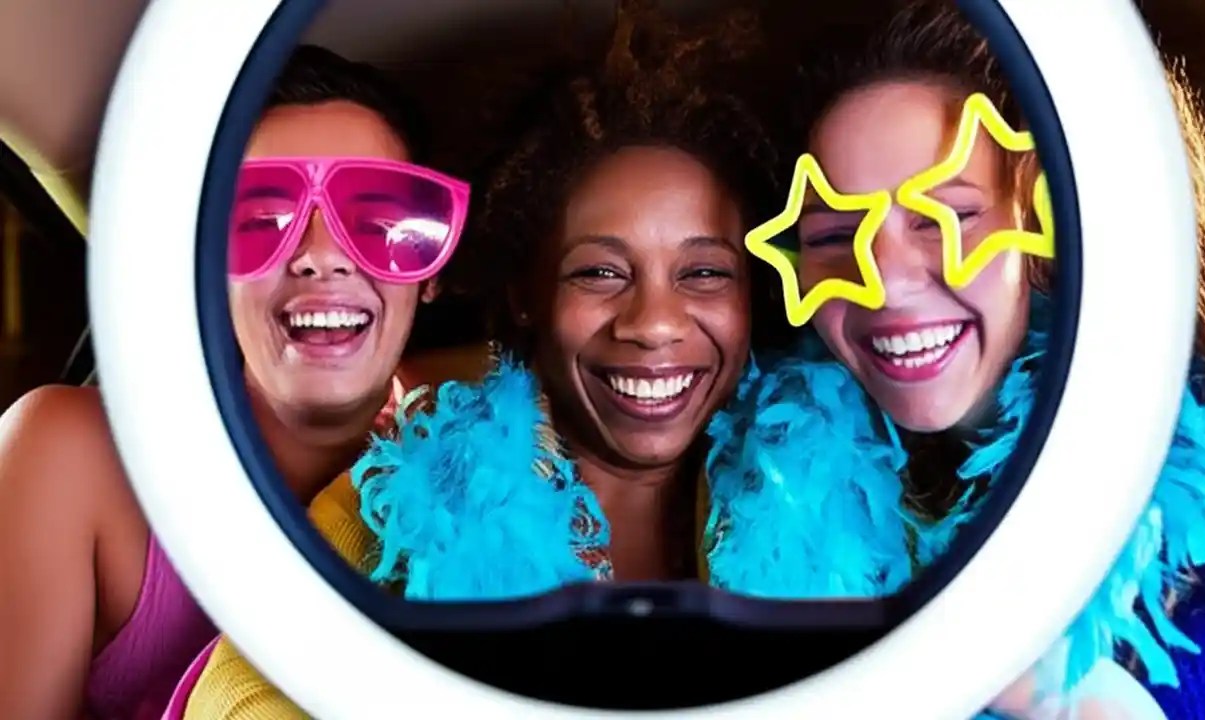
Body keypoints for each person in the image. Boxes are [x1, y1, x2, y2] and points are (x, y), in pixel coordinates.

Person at [175, 5, 789, 717]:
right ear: (527, 295)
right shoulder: (404, 484)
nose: (654, 324)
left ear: (752, 295)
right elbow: (233, 698)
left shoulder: (837, 475)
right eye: (598, 273)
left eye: (705, 273)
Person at [704, 1, 1205, 717]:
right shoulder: (760, 516)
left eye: (947, 217)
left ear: (1047, 217)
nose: (884, 281)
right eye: (835, 235)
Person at [0, 44, 469, 720]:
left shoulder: (484, 472)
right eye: (262, 220)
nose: (318, 255)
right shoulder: (71, 456)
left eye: (376, 220)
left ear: (431, 270)